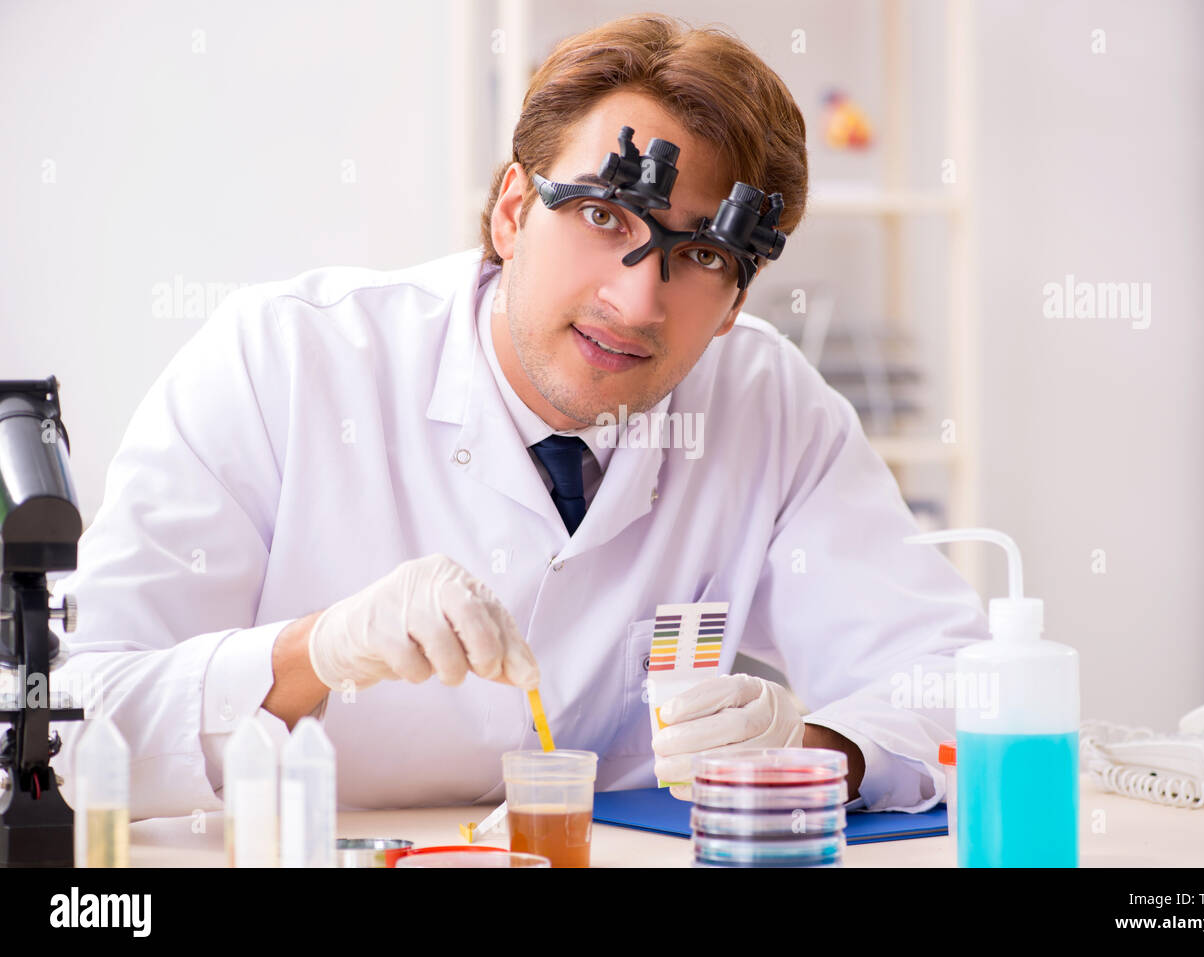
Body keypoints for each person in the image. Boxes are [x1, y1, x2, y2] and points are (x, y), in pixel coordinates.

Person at [50, 14, 988, 821]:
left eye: (700, 255)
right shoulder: (283, 361)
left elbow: (966, 685)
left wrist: (815, 744)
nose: (637, 302)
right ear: (509, 212)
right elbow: (70, 721)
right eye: (605, 219)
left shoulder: (767, 406)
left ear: (739, 299)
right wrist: (315, 652)